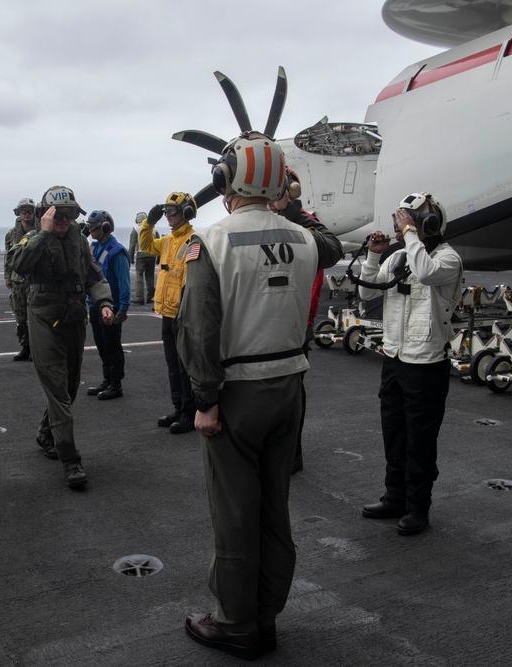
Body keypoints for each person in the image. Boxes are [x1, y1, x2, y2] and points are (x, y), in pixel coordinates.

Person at [177, 133, 344, 659]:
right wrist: (291, 203)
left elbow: (199, 329)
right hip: (289, 387)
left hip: (236, 393)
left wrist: (204, 400)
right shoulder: (304, 238)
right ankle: (266, 615)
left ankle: (234, 622)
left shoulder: (212, 240)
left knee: (234, 513)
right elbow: (333, 246)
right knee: (275, 506)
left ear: (229, 179)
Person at [356, 192, 463, 537]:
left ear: (428, 224)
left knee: (420, 439)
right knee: (394, 433)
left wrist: (410, 236)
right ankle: (395, 497)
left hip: (427, 363)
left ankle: (418, 508)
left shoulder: (447, 259)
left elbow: (427, 273)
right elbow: (368, 294)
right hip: (395, 358)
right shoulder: (400, 256)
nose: (402, 229)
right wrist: (373, 257)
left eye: (410, 222)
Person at [6, 185, 114, 489]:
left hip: (74, 316)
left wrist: (104, 303)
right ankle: (70, 460)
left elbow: (93, 274)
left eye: (70, 214)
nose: (65, 220)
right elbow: (17, 264)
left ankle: (46, 433)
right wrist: (43, 232)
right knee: (56, 385)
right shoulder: (34, 238)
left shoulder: (79, 240)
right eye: (59, 214)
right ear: (46, 213)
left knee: (68, 385)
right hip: (44, 318)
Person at [268, 167, 335, 474]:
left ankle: (292, 452)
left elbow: (316, 278)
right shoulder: (265, 222)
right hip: (268, 321)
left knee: (292, 390)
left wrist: (305, 321)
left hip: (295, 324)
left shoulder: (306, 224)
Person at [140, 192, 198, 434]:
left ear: (185, 213)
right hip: (167, 313)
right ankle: (178, 407)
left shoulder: (194, 241)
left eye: (171, 211)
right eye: (165, 211)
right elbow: (144, 245)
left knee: (185, 367)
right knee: (173, 365)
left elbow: (193, 280)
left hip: (183, 315)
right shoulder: (166, 241)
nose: (167, 216)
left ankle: (189, 413)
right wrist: (148, 223)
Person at [84, 210, 130, 400]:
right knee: (102, 345)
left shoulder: (116, 252)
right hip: (95, 305)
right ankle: (107, 379)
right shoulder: (93, 248)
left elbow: (124, 283)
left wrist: (123, 309)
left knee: (112, 346)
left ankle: (116, 384)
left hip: (112, 308)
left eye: (94, 228)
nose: (91, 232)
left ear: (105, 227)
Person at [5, 198, 36, 362]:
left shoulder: (39, 232)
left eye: (30, 210)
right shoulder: (11, 234)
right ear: (18, 213)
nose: (27, 213)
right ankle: (25, 346)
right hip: (17, 281)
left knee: (35, 317)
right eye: (24, 210)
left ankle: (36, 348)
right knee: (20, 317)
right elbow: (8, 258)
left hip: (34, 280)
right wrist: (8, 278)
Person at [128, 212, 158, 305]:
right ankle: (151, 296)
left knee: (139, 276)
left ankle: (140, 297)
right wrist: (159, 257)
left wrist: (131, 258)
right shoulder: (154, 229)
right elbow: (158, 243)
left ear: (137, 219)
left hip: (141, 255)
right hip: (152, 255)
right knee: (150, 276)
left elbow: (132, 245)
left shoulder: (136, 229)